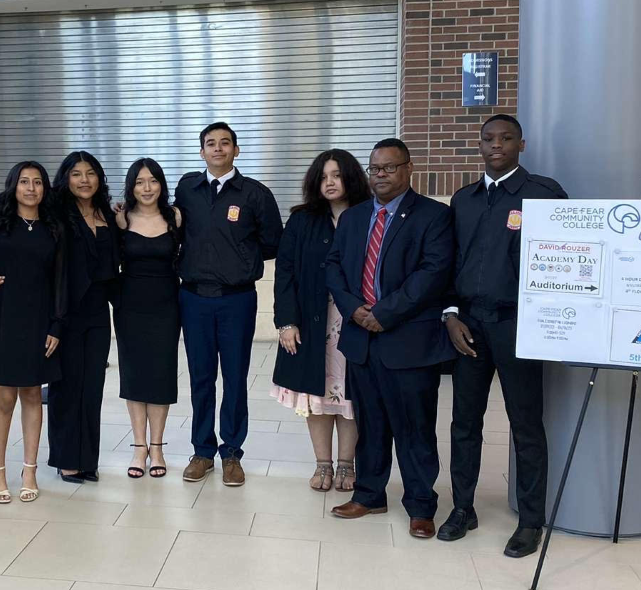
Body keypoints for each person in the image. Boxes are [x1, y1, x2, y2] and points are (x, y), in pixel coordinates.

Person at [439, 114, 568, 558]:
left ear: (522, 144)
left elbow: (565, 263)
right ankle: (463, 508)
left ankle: (532, 521)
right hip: (468, 326)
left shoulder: (544, 195)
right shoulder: (464, 199)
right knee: (464, 424)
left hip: (518, 326)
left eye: (506, 138)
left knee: (526, 425)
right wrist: (451, 315)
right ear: (479, 145)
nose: (497, 145)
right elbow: (449, 263)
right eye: (489, 139)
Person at [326, 138, 454, 539]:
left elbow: (433, 273)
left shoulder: (433, 216)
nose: (380, 175)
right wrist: (354, 309)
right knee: (371, 425)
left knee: (415, 428)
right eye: (374, 169)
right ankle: (369, 494)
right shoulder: (353, 217)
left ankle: (420, 505)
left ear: (408, 168)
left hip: (409, 340)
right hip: (361, 340)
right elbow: (334, 267)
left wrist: (384, 313)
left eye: (389, 168)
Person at [174, 122, 283, 486]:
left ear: (236, 150)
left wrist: (239, 260)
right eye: (210, 144)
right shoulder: (187, 188)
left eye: (225, 143)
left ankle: (232, 452)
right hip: (193, 298)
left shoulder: (254, 194)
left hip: (236, 301)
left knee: (234, 378)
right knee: (201, 377)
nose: (217, 149)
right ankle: (202, 451)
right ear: (201, 151)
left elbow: (272, 242)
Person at [271, 150, 370, 492]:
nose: (330, 182)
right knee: (317, 395)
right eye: (324, 176)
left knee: (350, 397)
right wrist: (286, 322)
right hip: (312, 321)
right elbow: (284, 272)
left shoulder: (368, 215)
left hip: (355, 322)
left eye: (337, 175)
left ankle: (347, 465)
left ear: (351, 179)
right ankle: (323, 465)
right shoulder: (301, 220)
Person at [0, 161, 65, 503]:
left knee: (31, 394)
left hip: (40, 318)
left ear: (45, 188)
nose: (31, 188)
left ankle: (29, 470)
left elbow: (60, 278)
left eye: (37, 182)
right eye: (24, 182)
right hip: (2, 316)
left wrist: (56, 323)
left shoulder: (54, 227)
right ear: (13, 186)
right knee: (4, 397)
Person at [47, 151, 119, 483]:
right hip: (67, 311)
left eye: (90, 173)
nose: (84, 179)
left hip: (98, 311)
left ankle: (87, 459)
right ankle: (66, 459)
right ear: (66, 179)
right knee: (66, 386)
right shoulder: (55, 212)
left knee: (92, 386)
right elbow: (0, 216)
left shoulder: (108, 211)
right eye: (76, 174)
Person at [114, 158, 182, 478]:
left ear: (161, 185)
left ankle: (157, 447)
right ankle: (139, 447)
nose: (146, 188)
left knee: (160, 374)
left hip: (167, 306)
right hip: (129, 306)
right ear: (131, 186)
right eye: (140, 182)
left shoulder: (176, 217)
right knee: (134, 375)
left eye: (153, 181)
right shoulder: (121, 219)